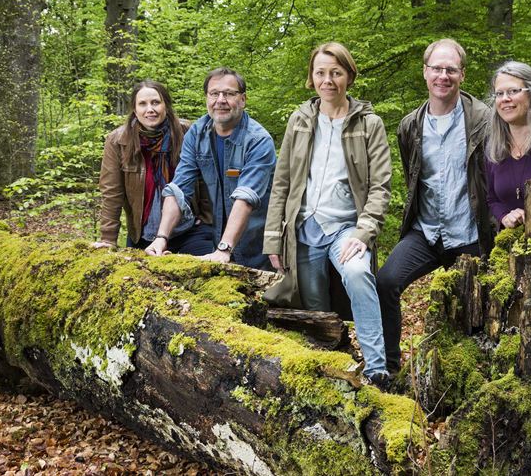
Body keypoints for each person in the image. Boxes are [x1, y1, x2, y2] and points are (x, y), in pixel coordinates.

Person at [263, 42, 392, 385]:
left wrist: (364, 233)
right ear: (312, 77)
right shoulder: (300, 120)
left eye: (336, 72)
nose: (328, 80)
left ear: (349, 76)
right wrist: (274, 237)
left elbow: (380, 187)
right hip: (304, 230)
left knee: (358, 275)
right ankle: (333, 371)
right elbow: (282, 182)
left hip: (347, 228)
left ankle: (378, 368)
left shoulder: (369, 124)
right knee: (316, 309)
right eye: (321, 72)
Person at [376, 38, 494, 375]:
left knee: (479, 305)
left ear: (462, 75)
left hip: (469, 233)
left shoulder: (482, 120)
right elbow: (414, 179)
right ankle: (389, 367)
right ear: (425, 72)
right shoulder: (409, 126)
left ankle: (476, 371)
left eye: (451, 69)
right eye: (437, 68)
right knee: (385, 281)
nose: (443, 75)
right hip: (426, 233)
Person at [145, 67, 276, 269]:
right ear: (207, 98)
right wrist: (161, 238)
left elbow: (246, 197)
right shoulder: (197, 133)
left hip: (259, 248)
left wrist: (224, 248)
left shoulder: (258, 140)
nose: (220, 100)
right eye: (214, 93)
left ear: (242, 100)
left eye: (229, 94)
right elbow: (179, 189)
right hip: (219, 242)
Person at [93, 80, 213, 253]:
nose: (150, 109)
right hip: (144, 235)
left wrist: (207, 217)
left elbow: (206, 177)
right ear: (135, 110)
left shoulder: (188, 132)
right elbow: (112, 192)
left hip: (189, 230)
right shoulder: (117, 141)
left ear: (166, 105)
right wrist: (108, 239)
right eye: (143, 104)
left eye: (156, 102)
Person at [485, 61, 531, 229]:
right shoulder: (494, 146)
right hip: (512, 246)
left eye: (513, 91)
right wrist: (504, 216)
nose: (505, 99)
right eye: (499, 93)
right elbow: (492, 198)